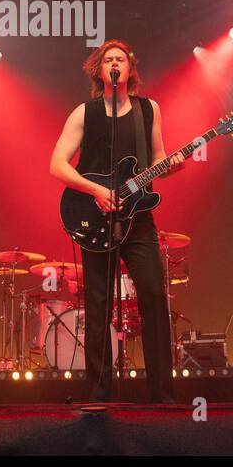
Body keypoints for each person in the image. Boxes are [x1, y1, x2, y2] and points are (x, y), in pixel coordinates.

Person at [50, 40, 183, 402]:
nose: (114, 63)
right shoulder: (84, 113)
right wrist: (94, 190)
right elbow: (57, 164)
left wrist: (172, 166)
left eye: (120, 59)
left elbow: (158, 159)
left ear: (130, 68)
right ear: (99, 70)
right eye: (108, 59)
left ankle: (161, 391)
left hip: (138, 220)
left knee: (154, 296)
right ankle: (97, 391)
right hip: (95, 219)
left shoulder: (148, 110)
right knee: (98, 304)